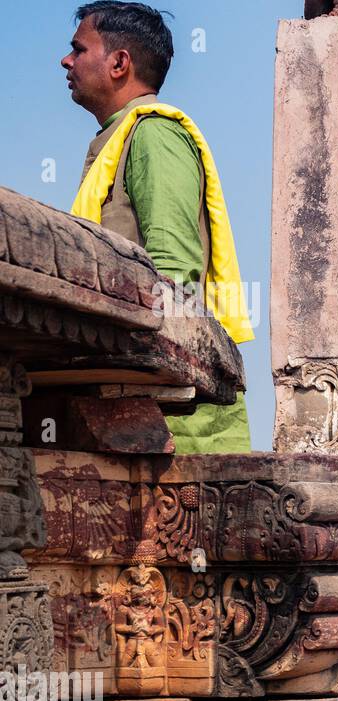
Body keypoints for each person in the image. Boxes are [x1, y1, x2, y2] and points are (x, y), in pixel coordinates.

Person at [63, 1, 254, 452]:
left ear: (119, 63)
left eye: (78, 49)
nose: (66, 60)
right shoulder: (118, 140)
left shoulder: (154, 135)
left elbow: (173, 274)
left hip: (175, 420)